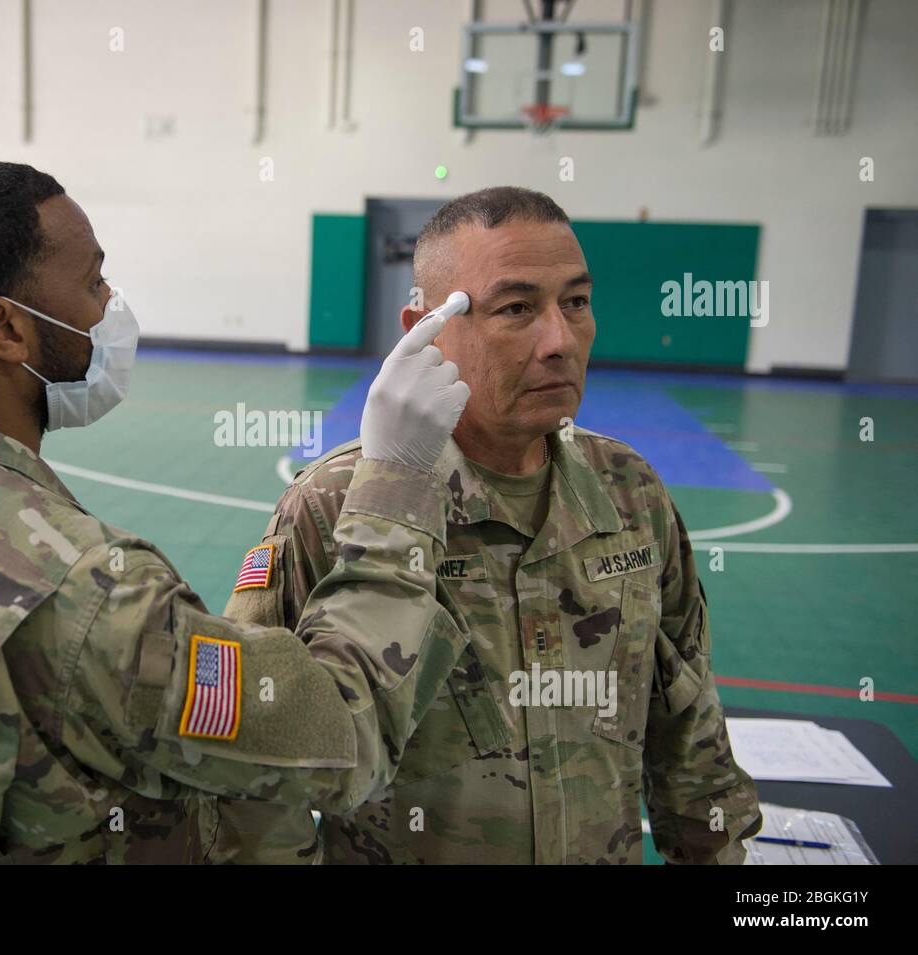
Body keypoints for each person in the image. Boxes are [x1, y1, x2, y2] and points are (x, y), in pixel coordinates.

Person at [0, 161, 472, 864]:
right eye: (92, 281)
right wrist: (396, 483)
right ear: (5, 328)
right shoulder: (91, 592)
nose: (110, 303)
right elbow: (343, 736)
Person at [203, 187, 762, 865]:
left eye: (577, 302)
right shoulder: (336, 505)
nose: (560, 341)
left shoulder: (630, 492)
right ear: (427, 330)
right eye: (517, 308)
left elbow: (689, 725)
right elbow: (251, 760)